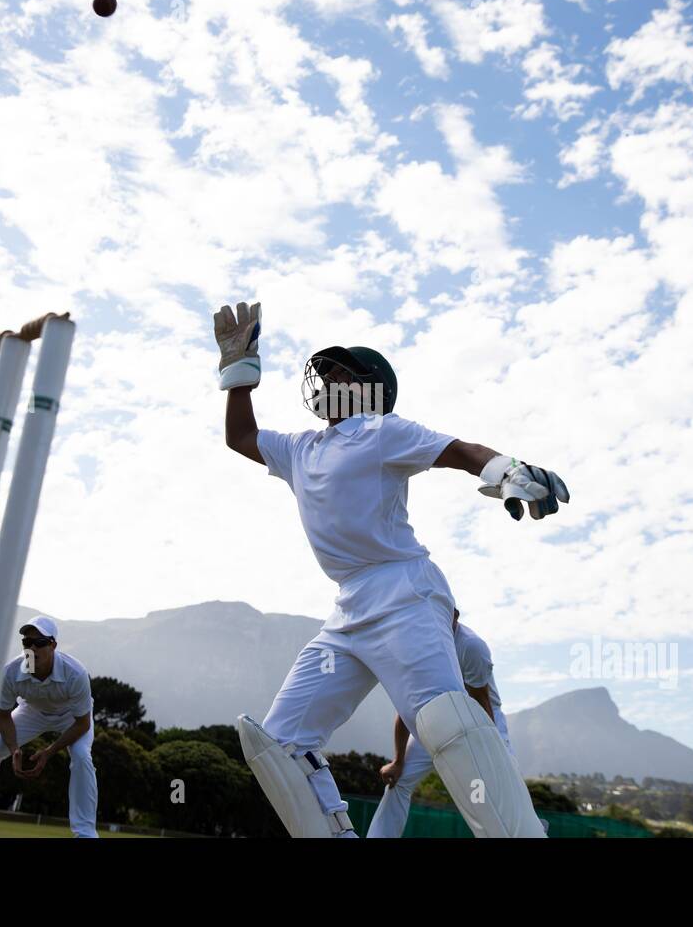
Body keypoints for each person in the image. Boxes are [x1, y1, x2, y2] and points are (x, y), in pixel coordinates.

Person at [215, 300, 568, 838]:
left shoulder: (382, 431)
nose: (327, 378)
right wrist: (239, 370)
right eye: (325, 371)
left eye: (340, 372)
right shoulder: (300, 448)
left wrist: (508, 470)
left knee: (451, 730)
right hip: (348, 609)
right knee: (281, 743)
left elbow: (460, 450)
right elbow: (240, 438)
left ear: (369, 387)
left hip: (404, 593)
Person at [369, 609, 544, 837]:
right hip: (434, 719)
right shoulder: (420, 647)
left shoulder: (472, 647)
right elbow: (406, 708)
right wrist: (399, 761)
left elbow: (482, 702)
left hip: (480, 719)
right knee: (398, 781)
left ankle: (534, 830)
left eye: (442, 614)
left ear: (455, 615)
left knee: (504, 785)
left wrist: (487, 755)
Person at [0, 616, 98, 838]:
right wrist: (14, 749)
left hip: (73, 717)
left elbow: (83, 723)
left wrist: (49, 752)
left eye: (39, 643)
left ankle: (86, 833)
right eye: (26, 642)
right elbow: (2, 716)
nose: (32, 648)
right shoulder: (11, 672)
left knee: (81, 756)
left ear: (53, 645)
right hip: (32, 712)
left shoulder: (76, 673)